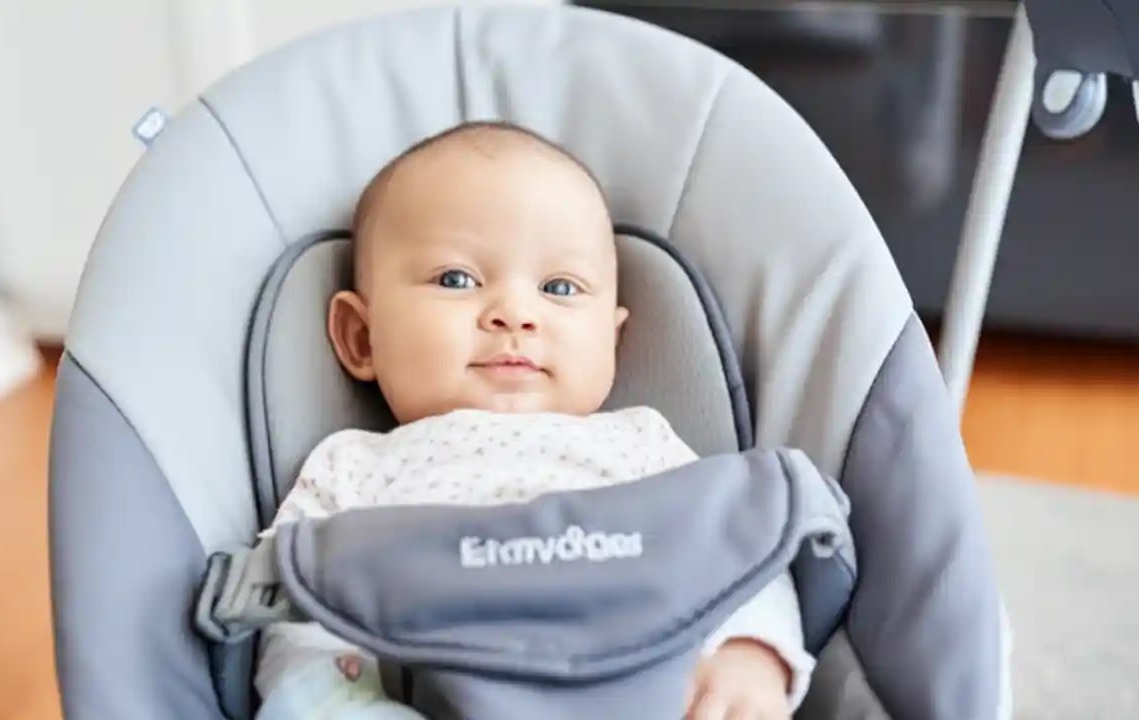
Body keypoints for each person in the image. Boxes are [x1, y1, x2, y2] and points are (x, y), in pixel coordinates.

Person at [254, 121, 812, 720]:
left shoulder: (642, 446)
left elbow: (742, 555)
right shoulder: (354, 468)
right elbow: (291, 608)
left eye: (560, 287)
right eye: (456, 279)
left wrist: (750, 655)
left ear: (611, 341)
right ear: (361, 338)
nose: (515, 313)